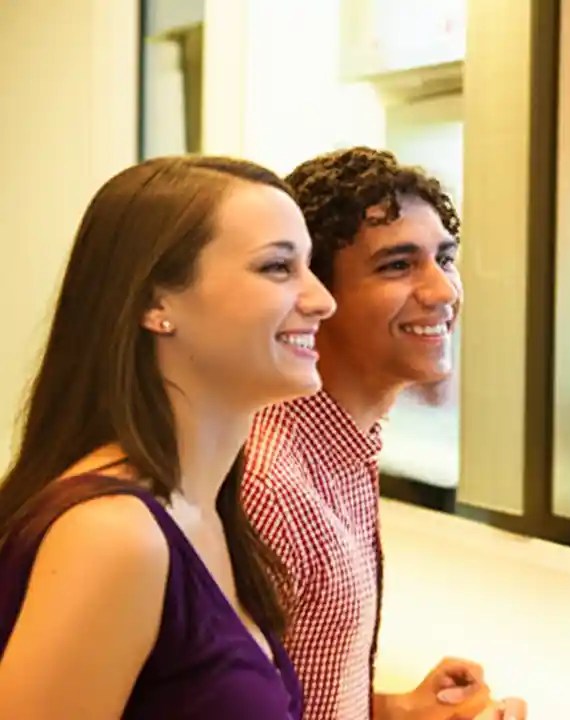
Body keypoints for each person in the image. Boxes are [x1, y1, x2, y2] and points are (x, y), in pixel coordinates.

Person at [0, 156, 337, 718]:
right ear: (156, 303)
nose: (322, 299)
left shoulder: (205, 511)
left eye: (310, 266)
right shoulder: (114, 535)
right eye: (278, 268)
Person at [241, 147, 525, 720]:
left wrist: (399, 712)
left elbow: (297, 702)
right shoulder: (266, 485)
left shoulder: (342, 451)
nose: (442, 291)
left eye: (444, 260)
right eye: (398, 265)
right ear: (314, 299)